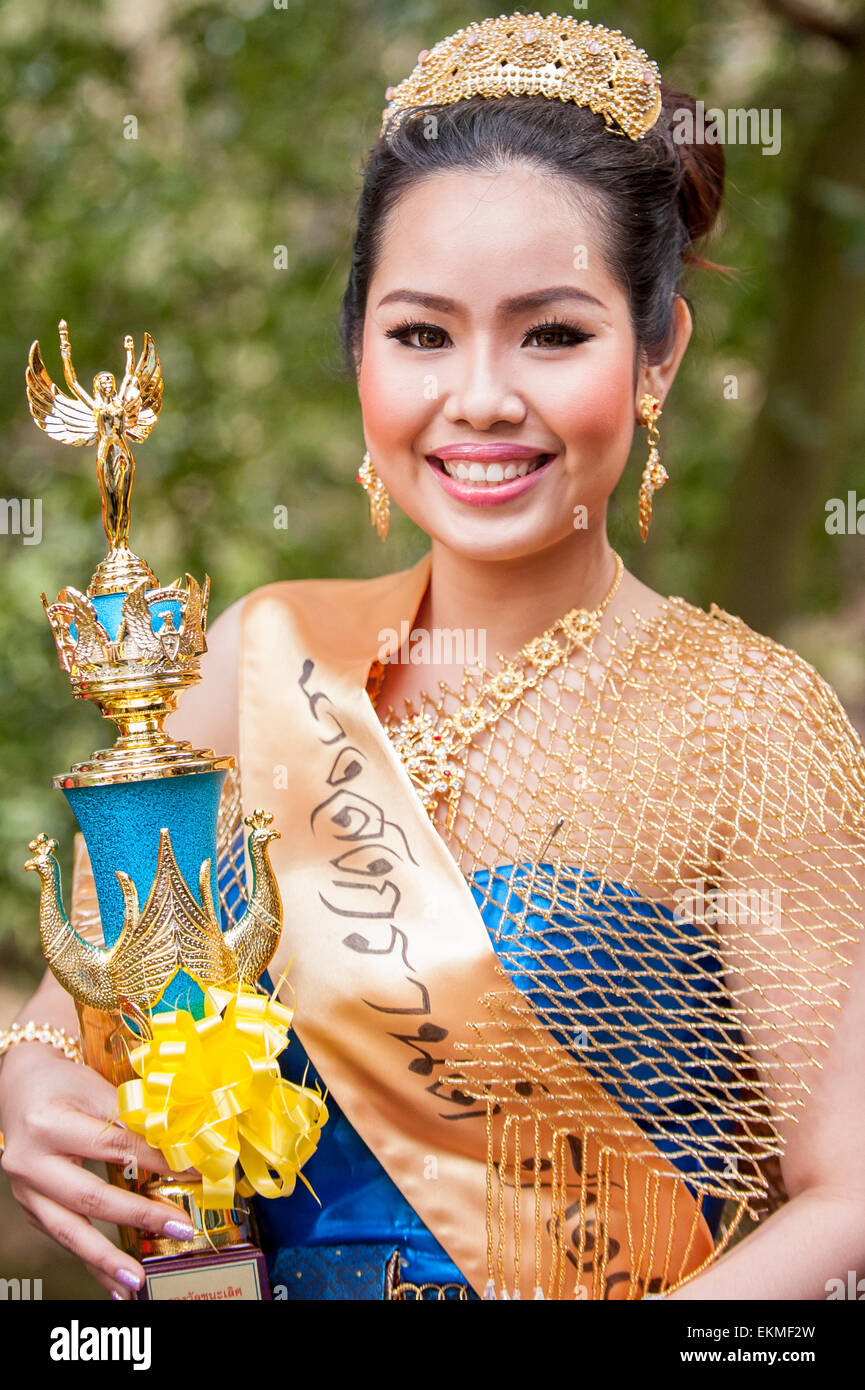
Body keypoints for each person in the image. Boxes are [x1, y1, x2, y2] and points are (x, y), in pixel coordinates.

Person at [2, 12, 864, 1302]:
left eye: (553, 333)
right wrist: (24, 1077)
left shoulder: (750, 725)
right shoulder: (255, 661)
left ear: (660, 350)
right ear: (359, 349)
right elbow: (83, 1027)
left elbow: (847, 1196)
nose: (479, 399)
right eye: (420, 334)